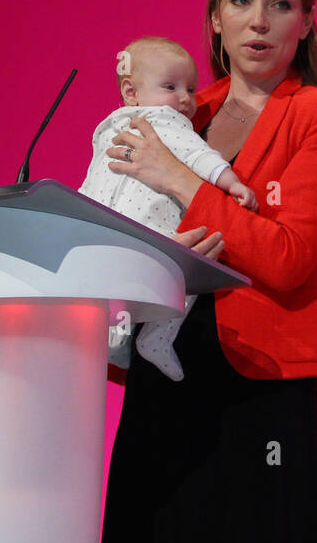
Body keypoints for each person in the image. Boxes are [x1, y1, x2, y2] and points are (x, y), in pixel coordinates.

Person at [98, 0, 317, 543]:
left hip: (256, 381)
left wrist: (176, 175)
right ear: (215, 20)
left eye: (281, 4)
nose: (259, 20)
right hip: (162, 361)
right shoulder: (175, 110)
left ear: (304, 25)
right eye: (242, 1)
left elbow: (288, 256)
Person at [78, 35, 257, 381]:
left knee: (164, 276)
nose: (186, 99)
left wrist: (230, 182)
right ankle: (144, 338)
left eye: (190, 88)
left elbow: (198, 156)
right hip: (135, 229)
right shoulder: (151, 123)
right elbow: (199, 156)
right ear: (131, 92)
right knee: (179, 274)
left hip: (129, 233)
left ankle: (135, 338)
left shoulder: (139, 126)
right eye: (171, 86)